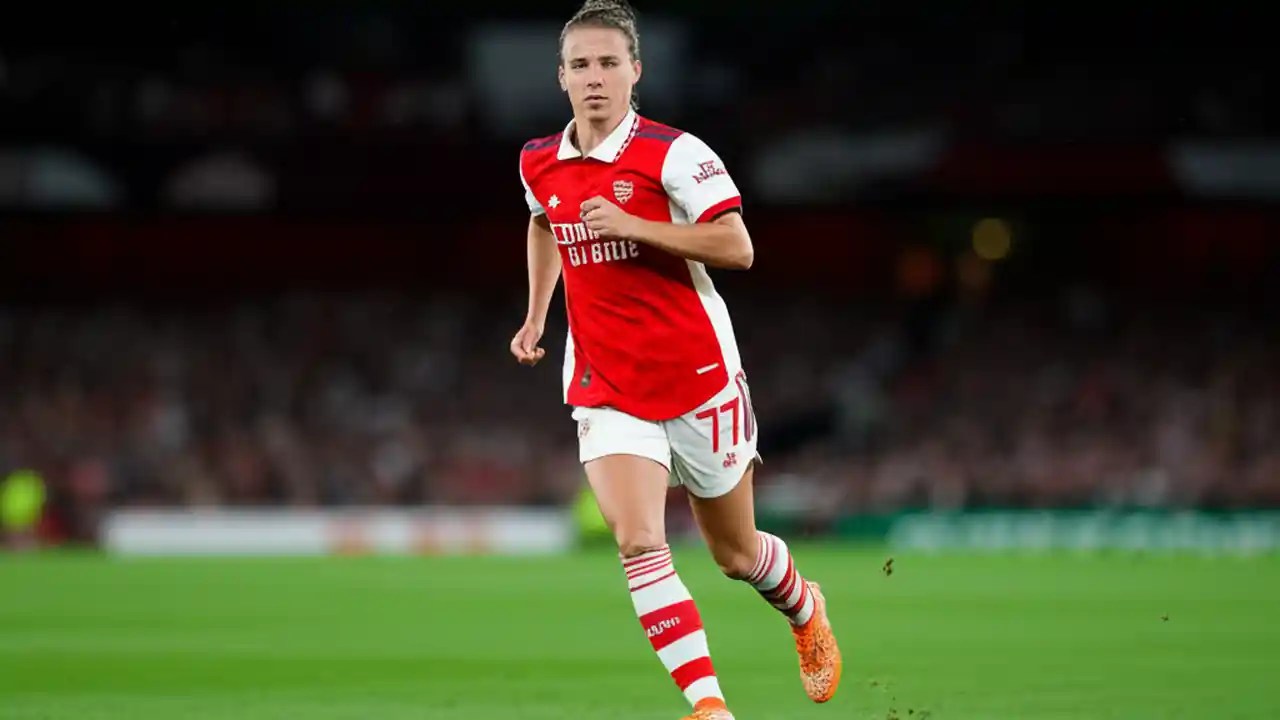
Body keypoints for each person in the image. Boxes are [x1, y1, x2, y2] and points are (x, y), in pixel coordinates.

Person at [509, 2, 842, 718]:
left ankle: (803, 604)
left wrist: (636, 223)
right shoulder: (540, 160)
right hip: (606, 383)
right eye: (581, 65)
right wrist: (539, 313)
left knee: (735, 554)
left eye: (608, 63)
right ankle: (709, 707)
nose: (595, 78)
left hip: (696, 375)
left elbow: (738, 246)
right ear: (561, 76)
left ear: (636, 71)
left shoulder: (676, 154)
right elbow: (543, 222)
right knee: (638, 542)